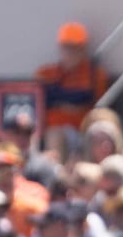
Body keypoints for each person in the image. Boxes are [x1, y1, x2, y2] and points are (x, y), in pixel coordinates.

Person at [36, 22, 109, 159]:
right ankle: (55, 176)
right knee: (54, 134)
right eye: (66, 47)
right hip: (52, 132)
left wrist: (58, 101)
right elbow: (37, 102)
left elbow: (97, 107)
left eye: (75, 48)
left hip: (83, 131)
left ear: (83, 49)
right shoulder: (46, 73)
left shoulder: (94, 75)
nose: (70, 52)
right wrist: (70, 103)